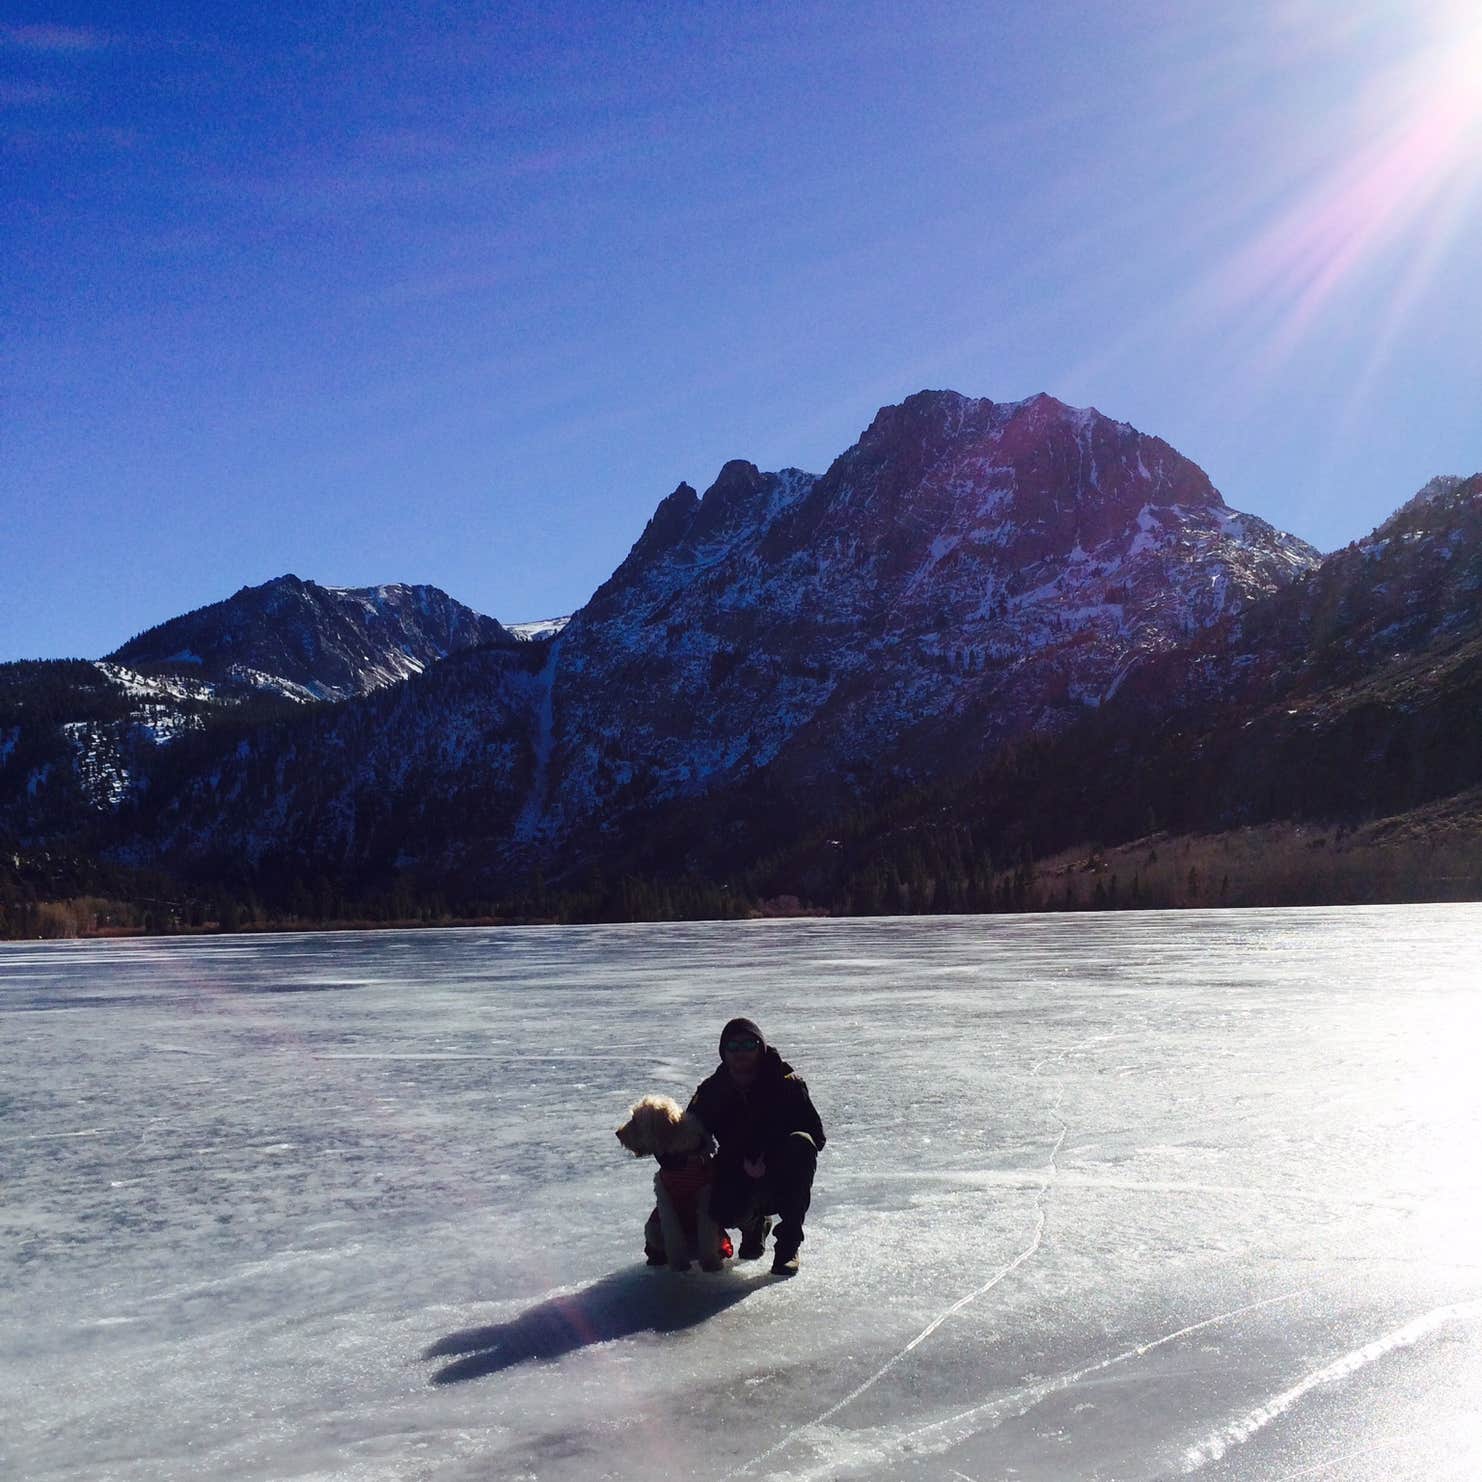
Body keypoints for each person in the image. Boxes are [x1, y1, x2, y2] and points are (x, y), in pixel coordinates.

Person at [687, 1017, 825, 1276]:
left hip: (779, 1176)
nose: (741, 1052)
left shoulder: (787, 1083)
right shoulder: (711, 1090)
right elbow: (688, 1134)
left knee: (802, 1144)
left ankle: (788, 1247)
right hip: (736, 1170)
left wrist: (769, 1161)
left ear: (760, 1047)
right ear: (723, 1052)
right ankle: (753, 1225)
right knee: (720, 1209)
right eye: (733, 1046)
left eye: (748, 1044)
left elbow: (817, 1136)